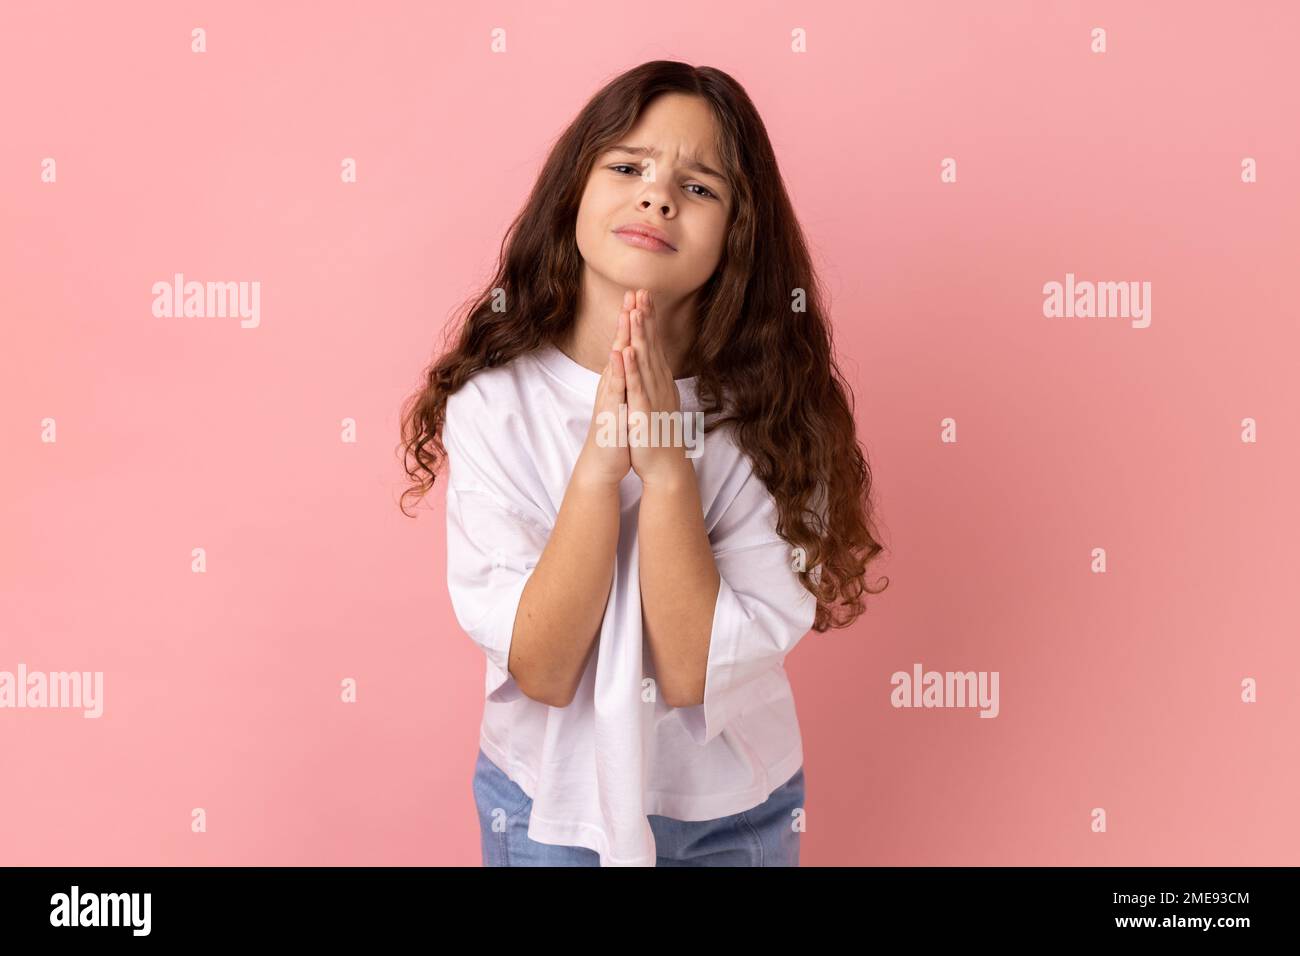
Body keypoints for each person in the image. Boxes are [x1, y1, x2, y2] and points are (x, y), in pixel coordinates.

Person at [399, 60, 888, 866]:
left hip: (737, 812)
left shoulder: (778, 417)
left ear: (740, 235)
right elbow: (547, 669)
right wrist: (599, 468)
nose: (658, 195)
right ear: (573, 196)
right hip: (543, 805)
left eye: (700, 188)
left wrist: (666, 473)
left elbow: (697, 673)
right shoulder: (496, 406)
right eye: (628, 167)